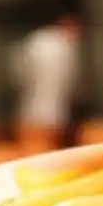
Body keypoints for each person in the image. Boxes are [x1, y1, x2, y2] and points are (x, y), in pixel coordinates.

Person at [12, 14, 82, 151]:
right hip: (37, 111)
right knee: (37, 150)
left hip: (46, 110)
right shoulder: (48, 43)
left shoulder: (59, 45)